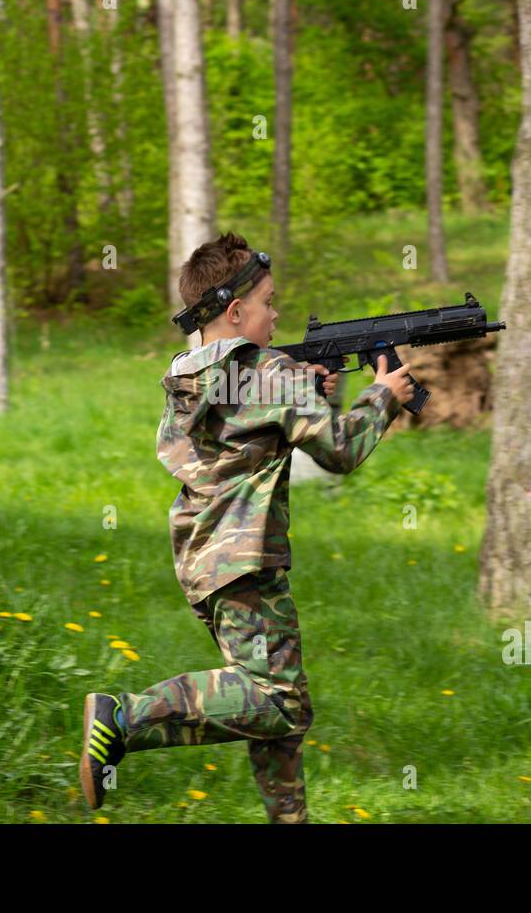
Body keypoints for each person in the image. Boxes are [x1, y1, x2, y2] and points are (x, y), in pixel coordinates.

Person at [78, 231, 414, 822]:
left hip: (207, 555)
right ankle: (124, 717)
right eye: (269, 302)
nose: (278, 313)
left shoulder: (197, 375)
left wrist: (305, 391)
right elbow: (339, 450)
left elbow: (246, 432)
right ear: (236, 311)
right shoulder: (268, 372)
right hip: (246, 557)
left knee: (275, 701)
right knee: (278, 702)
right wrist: (382, 396)